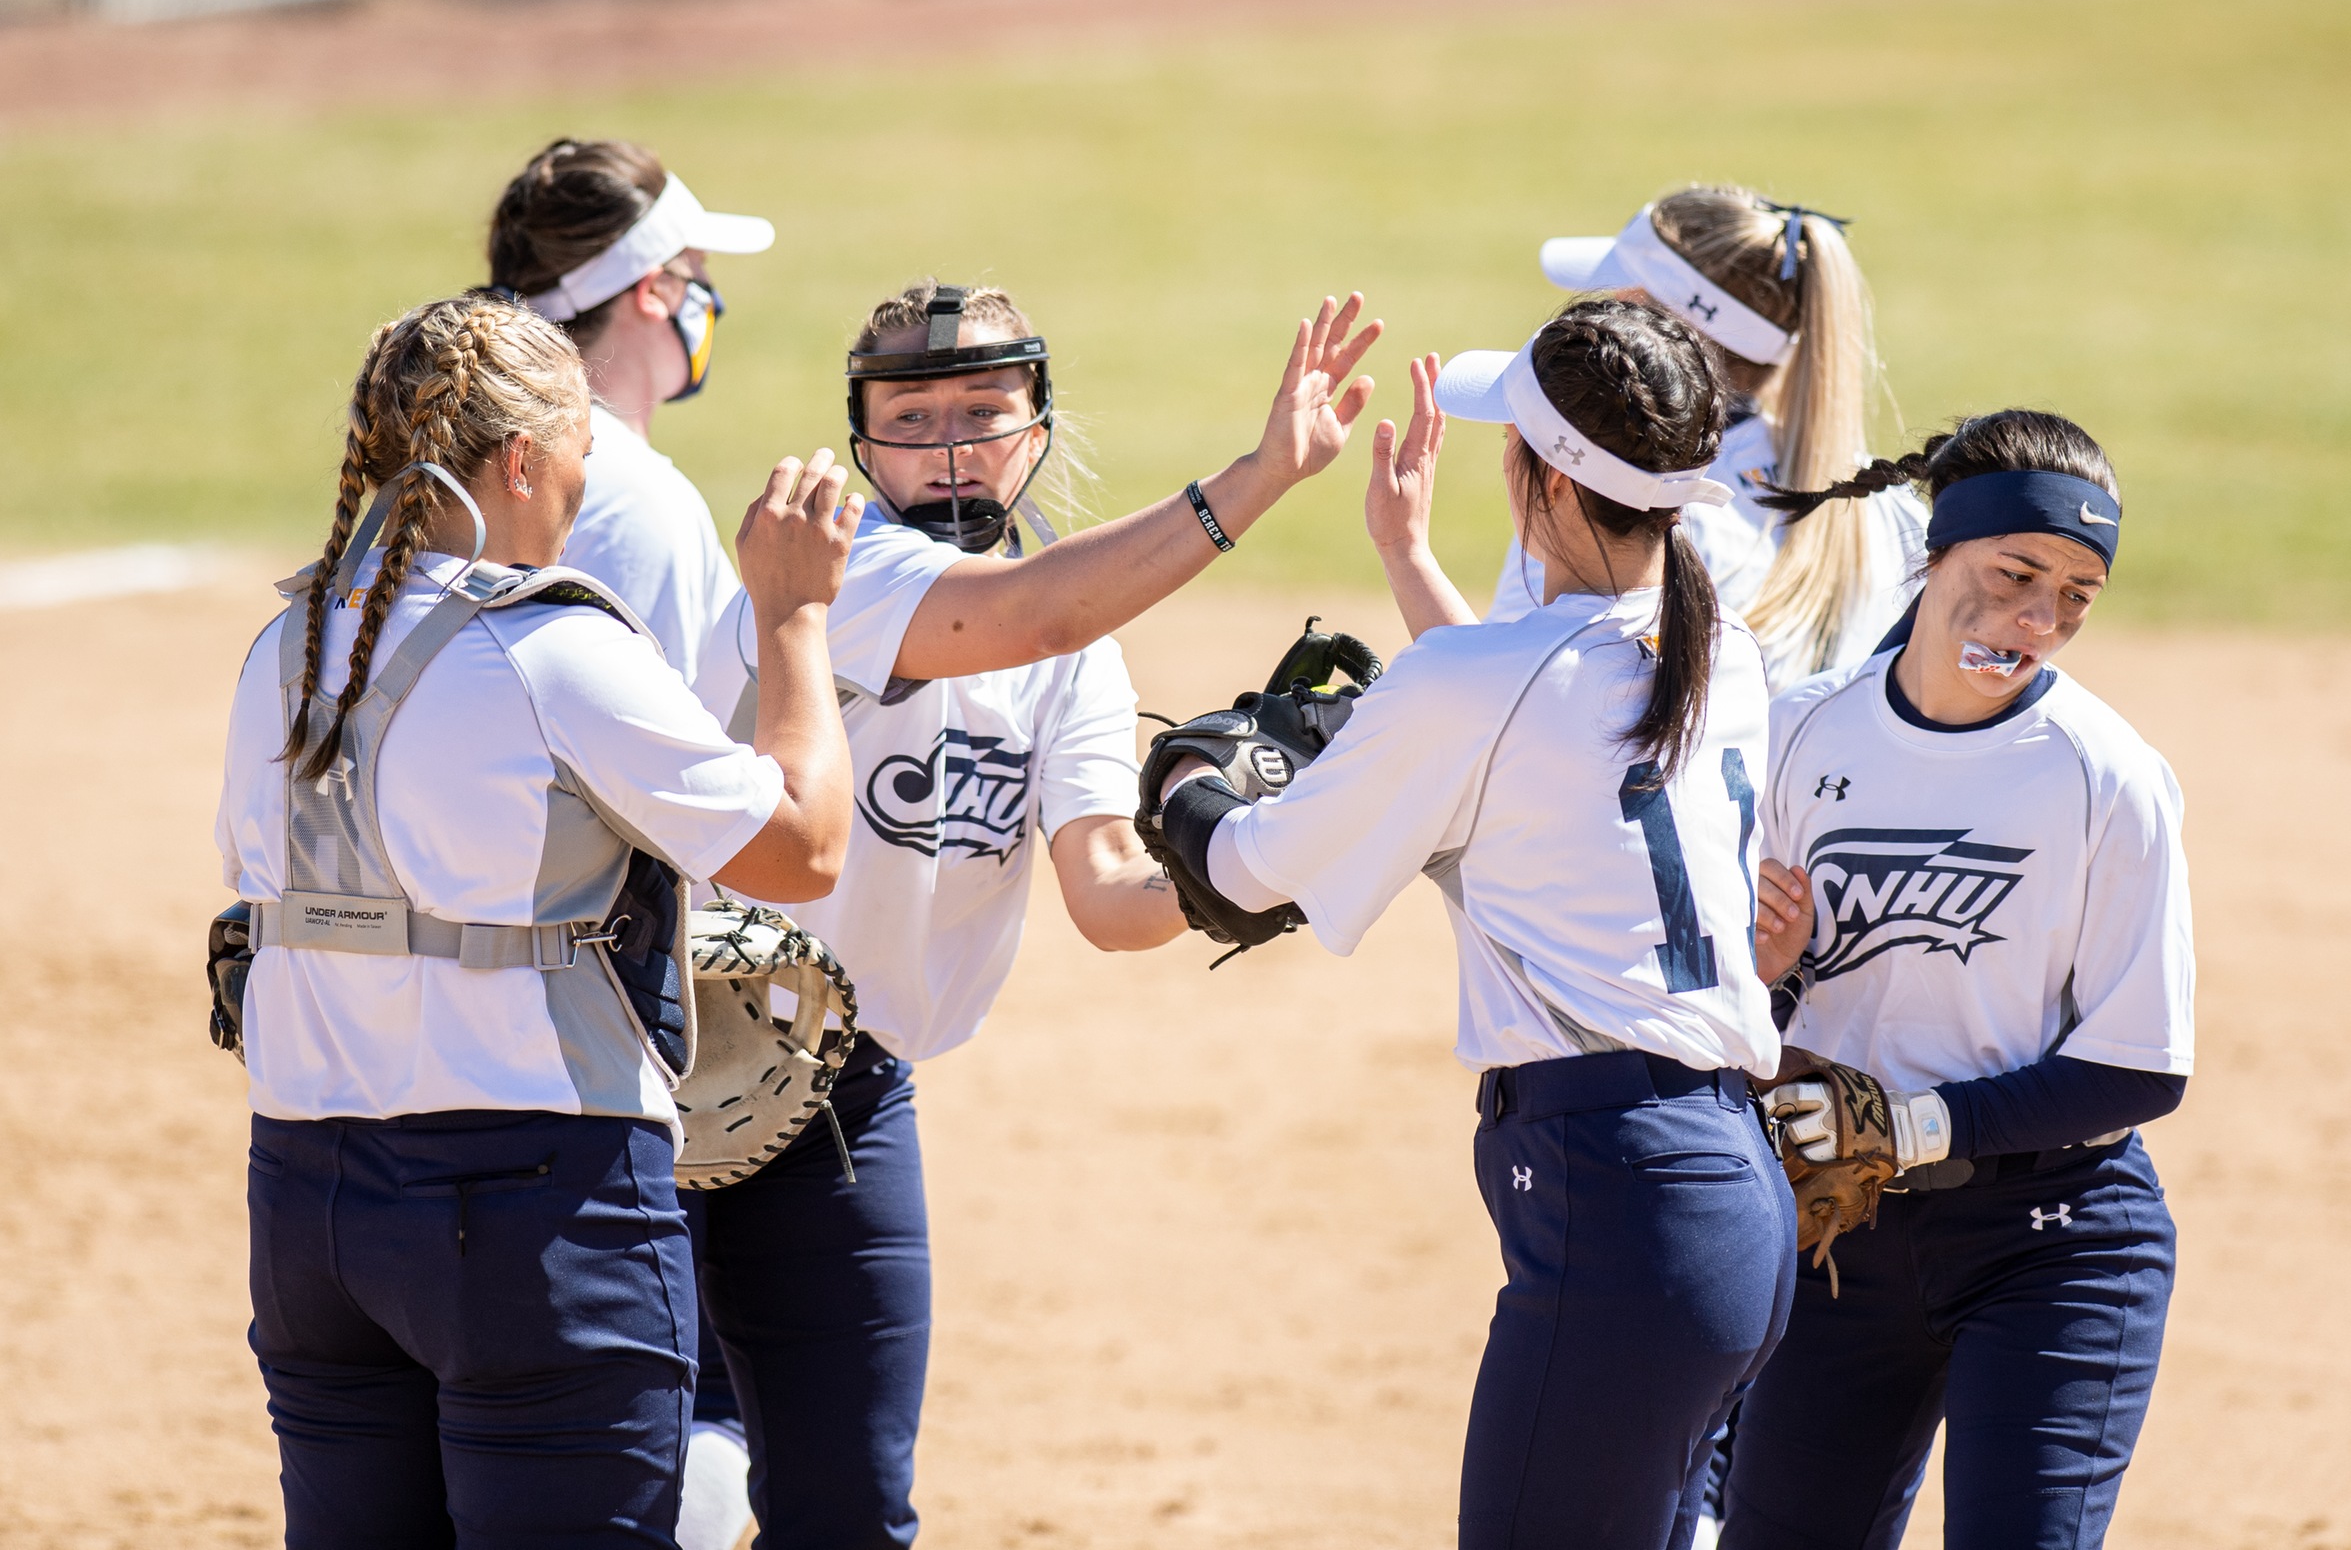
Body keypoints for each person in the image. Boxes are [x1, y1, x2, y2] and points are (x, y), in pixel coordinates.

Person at [678, 280, 1386, 1548]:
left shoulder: (1079, 664)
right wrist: (1259, 479)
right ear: (862, 439)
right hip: (666, 1064)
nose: (948, 446)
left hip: (844, 1093)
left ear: (1036, 428)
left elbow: (1108, 892)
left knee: (850, 1509)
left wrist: (1258, 853)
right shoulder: (847, 571)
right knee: (634, 1484)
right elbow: (1033, 608)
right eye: (911, 417)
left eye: (981, 412)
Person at [215, 291, 862, 1545]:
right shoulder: (550, 648)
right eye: (577, 449)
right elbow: (803, 845)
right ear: (518, 460)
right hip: (532, 1216)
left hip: (307, 1209)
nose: (581, 478)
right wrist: (793, 615)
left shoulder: (282, 650)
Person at [1159, 297, 1794, 1548]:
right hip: (1725, 1202)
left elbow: (1244, 868)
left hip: (1620, 1207)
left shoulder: (1483, 683)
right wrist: (1405, 558)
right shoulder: (1715, 655)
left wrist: (1184, 782)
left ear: (1543, 477)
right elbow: (1530, 727)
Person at [1720, 411, 2192, 1550]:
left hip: (2054, 1241)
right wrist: (1762, 978)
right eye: (2013, 574)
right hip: (1840, 1236)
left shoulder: (2107, 777)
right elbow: (1721, 1010)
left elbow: (2140, 1068)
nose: (2038, 620)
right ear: (1936, 553)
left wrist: (1910, 1126)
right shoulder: (1796, 733)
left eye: (2074, 595)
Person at [1491, 186, 1922, 693]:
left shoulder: (1628, 501)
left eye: (1622, 293)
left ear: (1658, 330)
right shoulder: (1889, 503)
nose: (1604, 308)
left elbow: (1506, 694)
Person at [488, 137, 772, 685]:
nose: (712, 295)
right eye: (698, 267)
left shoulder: (480, 447)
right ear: (655, 290)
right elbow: (659, 727)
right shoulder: (639, 505)